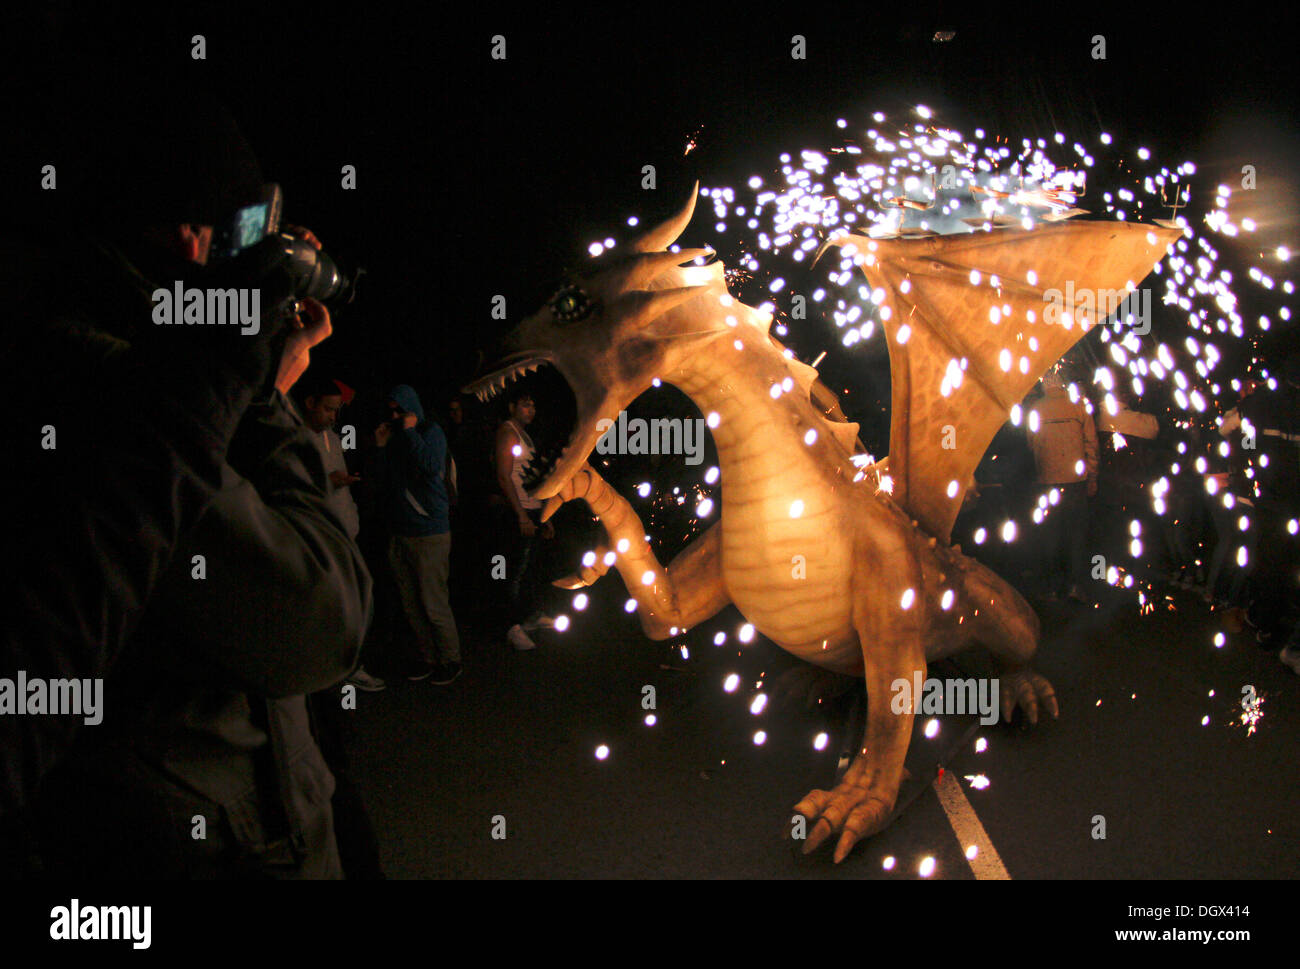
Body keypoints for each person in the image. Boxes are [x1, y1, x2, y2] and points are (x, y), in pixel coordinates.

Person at [3, 79, 373, 878]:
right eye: (240, 238)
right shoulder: (112, 388)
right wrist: (264, 395)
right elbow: (324, 616)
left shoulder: (122, 358)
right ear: (189, 243)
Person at [296, 373, 384, 692]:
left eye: (336, 410)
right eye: (329, 409)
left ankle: (345, 665)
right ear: (309, 404)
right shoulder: (296, 439)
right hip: (319, 543)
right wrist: (327, 481)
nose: (334, 415)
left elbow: (338, 476)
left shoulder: (331, 437)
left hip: (346, 536)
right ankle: (329, 671)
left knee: (355, 603)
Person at [374, 384, 463, 684]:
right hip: (401, 532)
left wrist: (411, 432)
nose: (397, 415)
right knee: (411, 603)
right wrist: (381, 448)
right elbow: (385, 481)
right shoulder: (396, 437)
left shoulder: (431, 432)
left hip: (430, 532)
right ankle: (427, 657)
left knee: (433, 602)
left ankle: (451, 659)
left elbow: (429, 467)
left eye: (402, 409)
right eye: (393, 411)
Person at [1027, 369, 1098, 603]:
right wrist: (1093, 477)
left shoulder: (1036, 409)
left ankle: (1052, 589)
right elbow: (1092, 445)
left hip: (1047, 483)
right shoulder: (1078, 405)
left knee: (1051, 535)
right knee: (1077, 535)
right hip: (1076, 483)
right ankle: (1076, 585)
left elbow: (1032, 445)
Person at [495, 387, 557, 650]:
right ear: (512, 407)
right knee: (514, 571)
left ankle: (529, 616)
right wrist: (520, 514)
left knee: (530, 566)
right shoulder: (508, 433)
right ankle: (511, 626)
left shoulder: (525, 436)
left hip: (531, 509)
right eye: (524, 405)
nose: (530, 410)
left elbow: (531, 478)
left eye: (532, 405)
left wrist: (544, 515)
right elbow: (503, 475)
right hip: (517, 511)